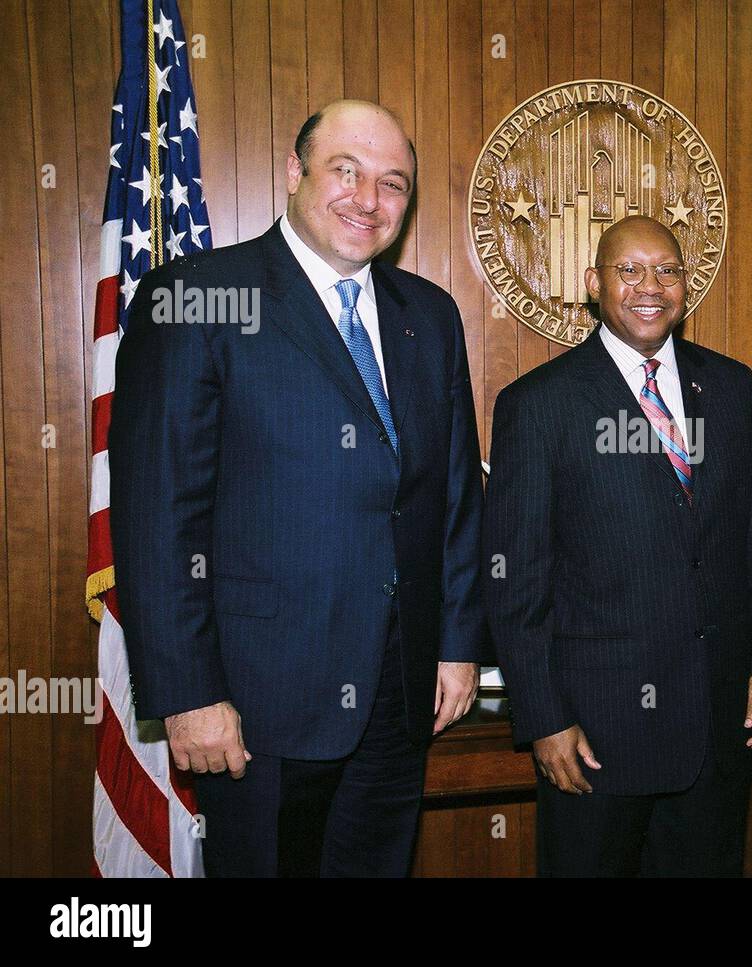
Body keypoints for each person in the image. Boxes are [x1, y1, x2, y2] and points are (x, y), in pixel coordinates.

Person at [110, 99, 488, 876]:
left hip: (399, 694)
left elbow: (451, 497)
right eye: (344, 172)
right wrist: (187, 692)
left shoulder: (432, 315)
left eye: (392, 183)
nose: (368, 200)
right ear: (295, 172)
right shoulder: (199, 296)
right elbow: (158, 517)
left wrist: (456, 645)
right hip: (257, 702)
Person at [483, 215, 752, 876]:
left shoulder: (731, 388)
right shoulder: (538, 404)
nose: (650, 285)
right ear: (595, 284)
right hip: (595, 738)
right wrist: (543, 718)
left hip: (717, 726)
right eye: (629, 270)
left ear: (686, 283)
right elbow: (515, 581)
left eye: (668, 270)